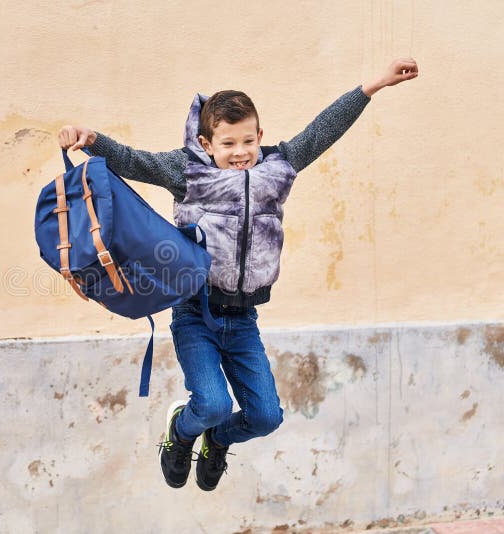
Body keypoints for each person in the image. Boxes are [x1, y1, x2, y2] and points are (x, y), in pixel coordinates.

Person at [57, 58, 419, 491]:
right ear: (207, 143)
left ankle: (217, 441)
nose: (240, 152)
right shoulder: (188, 172)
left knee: (266, 416)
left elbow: (323, 130)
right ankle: (181, 432)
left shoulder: (278, 167)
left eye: (248, 140)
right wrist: (92, 140)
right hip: (196, 313)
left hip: (243, 320)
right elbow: (136, 163)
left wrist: (374, 85)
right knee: (210, 404)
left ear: (260, 136)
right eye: (228, 143)